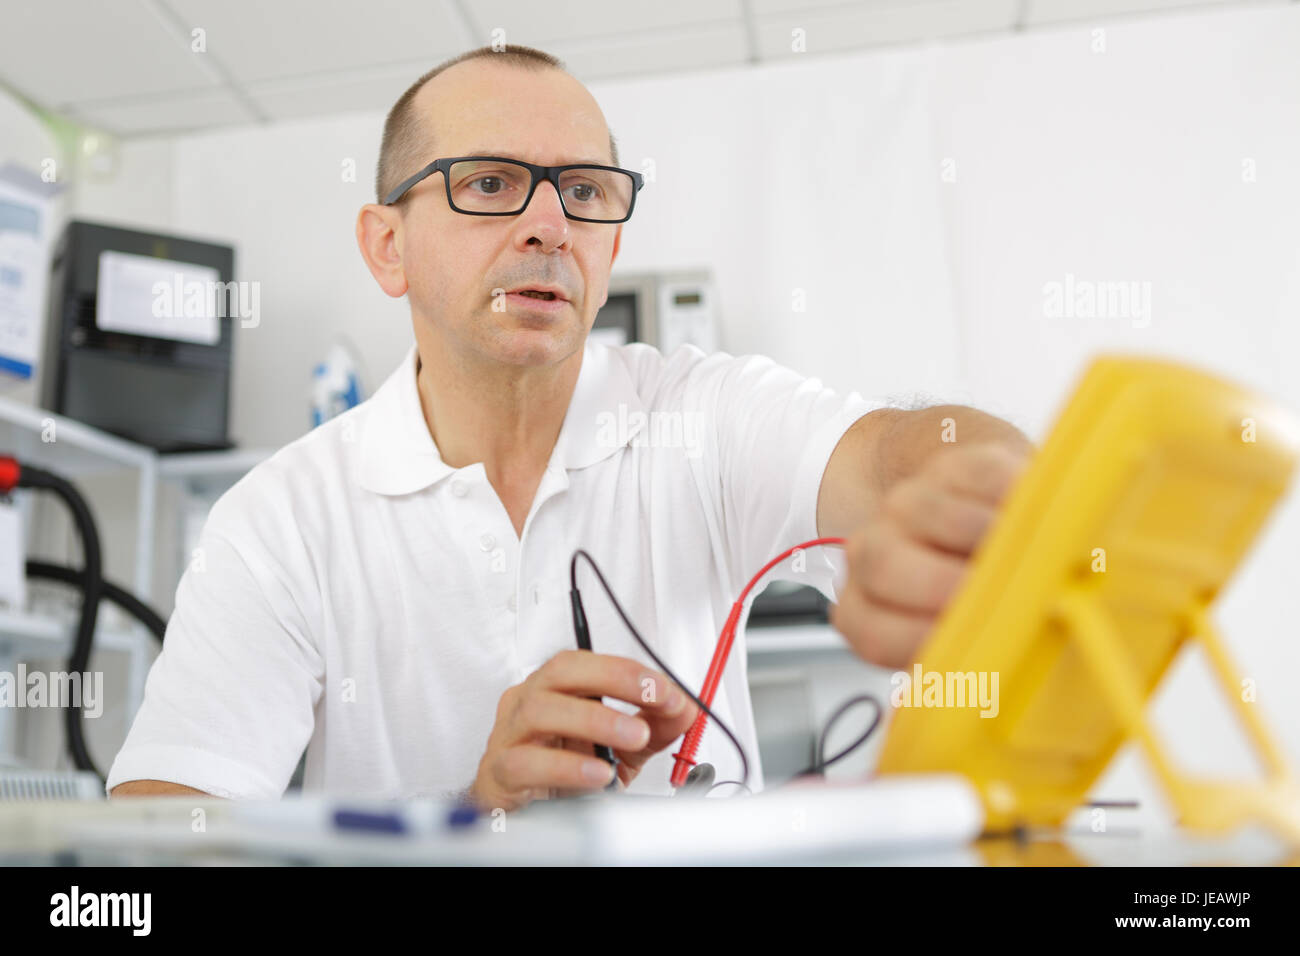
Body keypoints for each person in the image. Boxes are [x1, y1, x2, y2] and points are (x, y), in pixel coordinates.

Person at [108, 44, 1030, 809]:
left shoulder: (702, 416)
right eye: (493, 182)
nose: (550, 223)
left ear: (612, 246)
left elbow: (894, 456)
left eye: (585, 192)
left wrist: (993, 494)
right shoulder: (281, 522)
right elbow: (155, 851)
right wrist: (470, 829)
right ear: (388, 246)